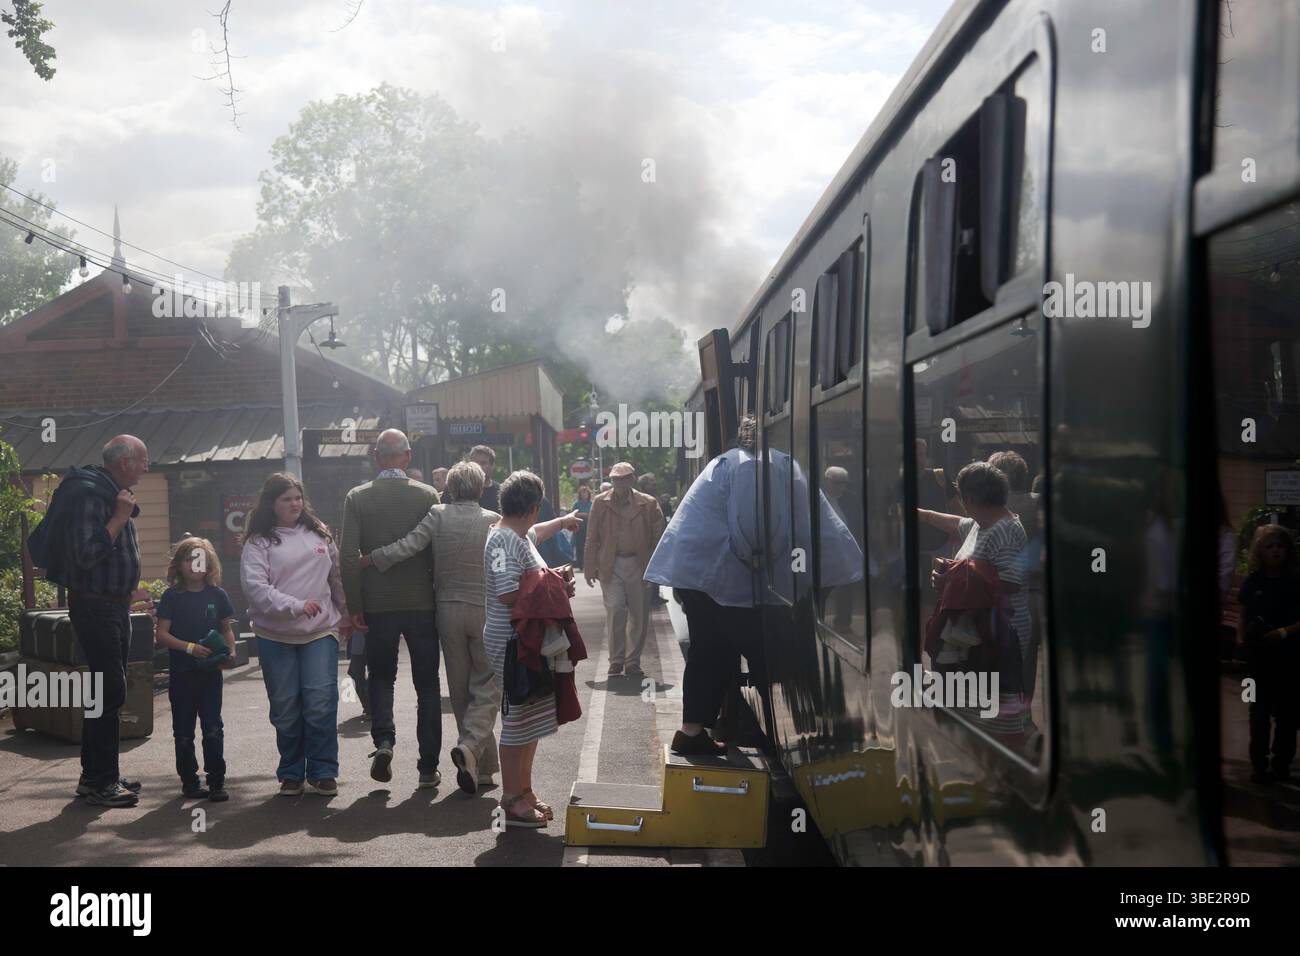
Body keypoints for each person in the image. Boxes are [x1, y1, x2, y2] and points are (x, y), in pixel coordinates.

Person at [360, 460, 502, 794]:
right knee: (488, 685)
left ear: (449, 489)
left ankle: (480, 764)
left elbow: (408, 546)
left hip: (446, 611)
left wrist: (373, 558)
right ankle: (472, 751)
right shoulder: (493, 521)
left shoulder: (437, 515)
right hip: (484, 610)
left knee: (460, 688)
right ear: (482, 489)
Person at [645, 417, 761, 756]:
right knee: (720, 649)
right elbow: (746, 531)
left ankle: (695, 731)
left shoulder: (726, 463)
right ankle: (695, 731)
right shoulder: (745, 467)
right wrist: (761, 559)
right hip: (709, 576)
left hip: (698, 574)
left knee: (714, 649)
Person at [340, 429, 443, 789]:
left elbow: (348, 556)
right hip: (421, 605)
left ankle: (384, 741)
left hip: (377, 605)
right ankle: (428, 767)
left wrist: (355, 606)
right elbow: (436, 554)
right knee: (427, 685)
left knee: (382, 678)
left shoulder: (357, 498)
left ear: (376, 456)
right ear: (407, 456)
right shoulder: (428, 495)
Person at [53, 435, 150, 808]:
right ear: (124, 462)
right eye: (142, 460)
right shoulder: (94, 497)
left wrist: (130, 588)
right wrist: (120, 517)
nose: (146, 467)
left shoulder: (115, 493)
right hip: (95, 608)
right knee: (108, 693)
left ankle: (97, 774)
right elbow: (85, 555)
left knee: (108, 692)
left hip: (113, 606)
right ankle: (99, 782)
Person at [241, 473, 351, 796]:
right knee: (286, 707)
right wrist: (296, 605)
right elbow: (255, 590)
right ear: (271, 504)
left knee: (320, 701)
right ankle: (291, 771)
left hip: (320, 631)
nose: (294, 503)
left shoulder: (320, 534)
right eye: (287, 498)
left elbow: (337, 579)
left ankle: (323, 770)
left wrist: (346, 615)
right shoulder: (258, 542)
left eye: (298, 497)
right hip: (274, 635)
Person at [483, 470, 581, 826]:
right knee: (518, 717)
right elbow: (508, 592)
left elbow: (539, 535)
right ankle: (511, 798)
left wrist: (566, 521)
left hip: (525, 638)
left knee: (533, 717)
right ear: (533, 507)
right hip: (512, 641)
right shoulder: (503, 541)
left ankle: (524, 790)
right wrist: (555, 584)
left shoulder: (517, 534)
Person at [918, 461, 1031, 736]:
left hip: (998, 638)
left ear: (970, 499)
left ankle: (1003, 770)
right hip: (973, 637)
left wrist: (951, 581)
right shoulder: (979, 524)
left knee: (996, 723)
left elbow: (1009, 584)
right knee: (970, 714)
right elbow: (953, 522)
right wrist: (918, 512)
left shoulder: (1006, 531)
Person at [155, 536, 236, 801]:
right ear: (179, 565)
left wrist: (231, 652)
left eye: (200, 558)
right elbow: (162, 635)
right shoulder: (172, 597)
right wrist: (190, 648)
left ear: (210, 563)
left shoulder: (218, 595)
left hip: (210, 676)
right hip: (182, 675)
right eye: (189, 558)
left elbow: (226, 629)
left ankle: (216, 782)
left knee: (213, 727)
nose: (194, 564)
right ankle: (189, 781)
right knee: (183, 733)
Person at [585, 462, 666, 678]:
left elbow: (659, 537)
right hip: (610, 563)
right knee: (616, 609)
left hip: (639, 563)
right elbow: (592, 537)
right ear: (611, 481)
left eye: (623, 478)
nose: (619, 483)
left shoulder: (648, 504)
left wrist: (657, 567)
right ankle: (616, 660)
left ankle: (632, 661)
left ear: (632, 479)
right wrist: (589, 566)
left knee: (638, 614)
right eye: (615, 479)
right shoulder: (600, 503)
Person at [1238, 525, 1300, 783]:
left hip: (1288, 660)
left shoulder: (1295, 581)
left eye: (1280, 546)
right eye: (1269, 546)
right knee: (1257, 712)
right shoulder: (1252, 582)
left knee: (1287, 716)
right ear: (1259, 551)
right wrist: (1243, 640)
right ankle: (1259, 764)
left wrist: (1283, 633)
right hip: (1257, 662)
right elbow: (1243, 616)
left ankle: (1281, 764)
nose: (1275, 550)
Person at [469, 445, 500, 513]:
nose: (478, 466)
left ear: (492, 465)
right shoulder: (458, 489)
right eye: (475, 463)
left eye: (483, 463)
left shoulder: (501, 492)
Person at [572, 483, 593, 570]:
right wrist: (582, 515)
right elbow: (573, 514)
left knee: (589, 545)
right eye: (582, 493)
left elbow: (593, 514)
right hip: (579, 526)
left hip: (589, 526)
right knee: (579, 546)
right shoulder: (577, 504)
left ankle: (589, 564)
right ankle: (580, 564)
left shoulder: (591, 504)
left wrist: (585, 515)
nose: (584, 494)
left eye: (586, 493)